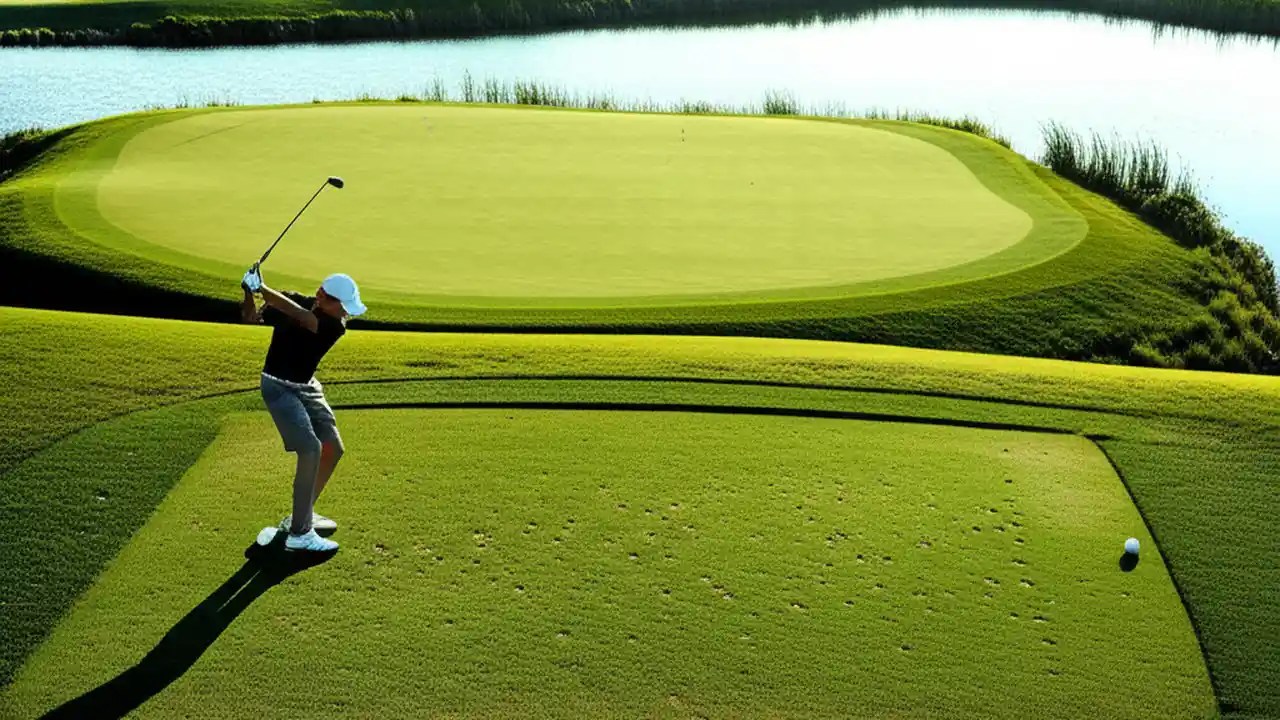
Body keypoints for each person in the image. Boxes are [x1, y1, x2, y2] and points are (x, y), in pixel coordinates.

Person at [240, 264, 366, 553]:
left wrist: (263, 288)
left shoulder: (334, 326)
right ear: (323, 296)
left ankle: (301, 515)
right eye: (343, 306)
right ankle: (300, 533)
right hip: (278, 387)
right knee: (311, 449)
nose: (346, 312)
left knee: (333, 447)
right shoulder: (293, 301)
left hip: (307, 387)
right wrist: (249, 291)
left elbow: (302, 317)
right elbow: (250, 318)